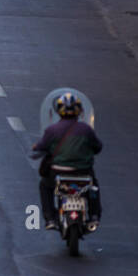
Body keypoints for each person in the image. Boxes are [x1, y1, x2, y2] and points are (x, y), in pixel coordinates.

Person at [33, 91, 103, 230]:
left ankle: (50, 218)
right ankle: (94, 215)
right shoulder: (86, 130)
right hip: (83, 171)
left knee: (45, 186)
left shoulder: (52, 130)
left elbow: (42, 146)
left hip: (57, 172)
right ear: (79, 111)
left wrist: (37, 147)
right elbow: (98, 147)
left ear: (59, 110)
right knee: (93, 186)